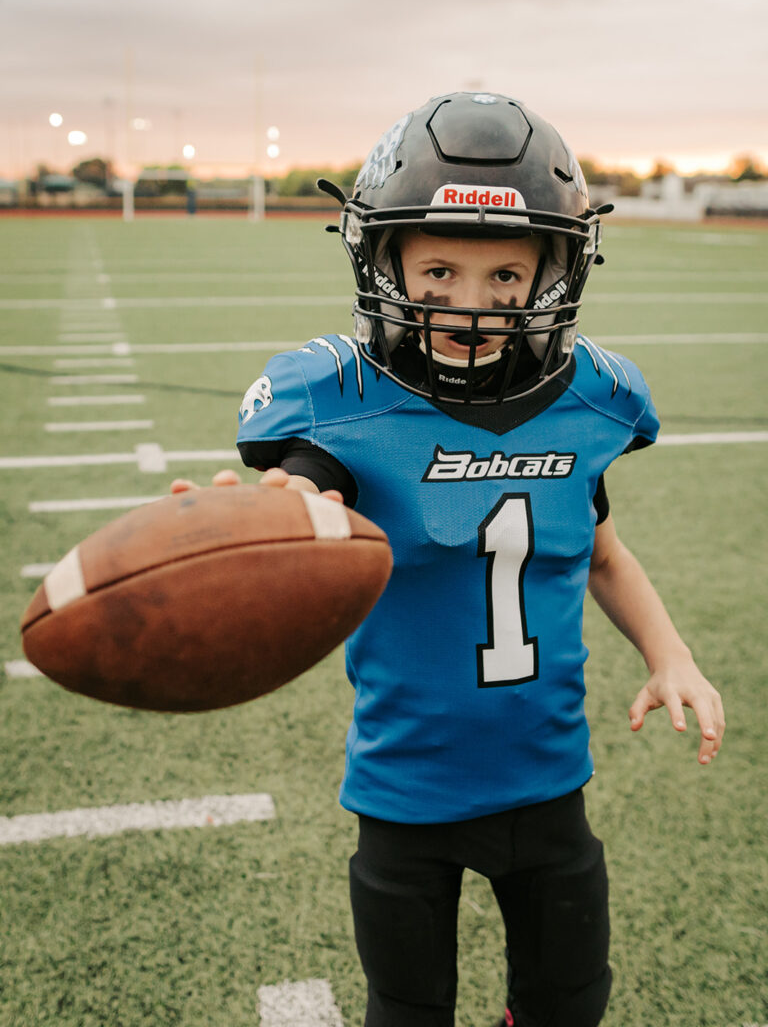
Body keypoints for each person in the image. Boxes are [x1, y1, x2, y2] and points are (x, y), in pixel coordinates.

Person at [176, 92, 725, 1027]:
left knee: (568, 1004)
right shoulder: (342, 408)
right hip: (403, 789)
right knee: (408, 1010)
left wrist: (671, 654)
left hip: (550, 779)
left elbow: (602, 555)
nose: (472, 304)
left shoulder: (587, 404)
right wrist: (261, 522)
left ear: (556, 272)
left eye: (507, 275)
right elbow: (308, 494)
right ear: (380, 259)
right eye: (437, 269)